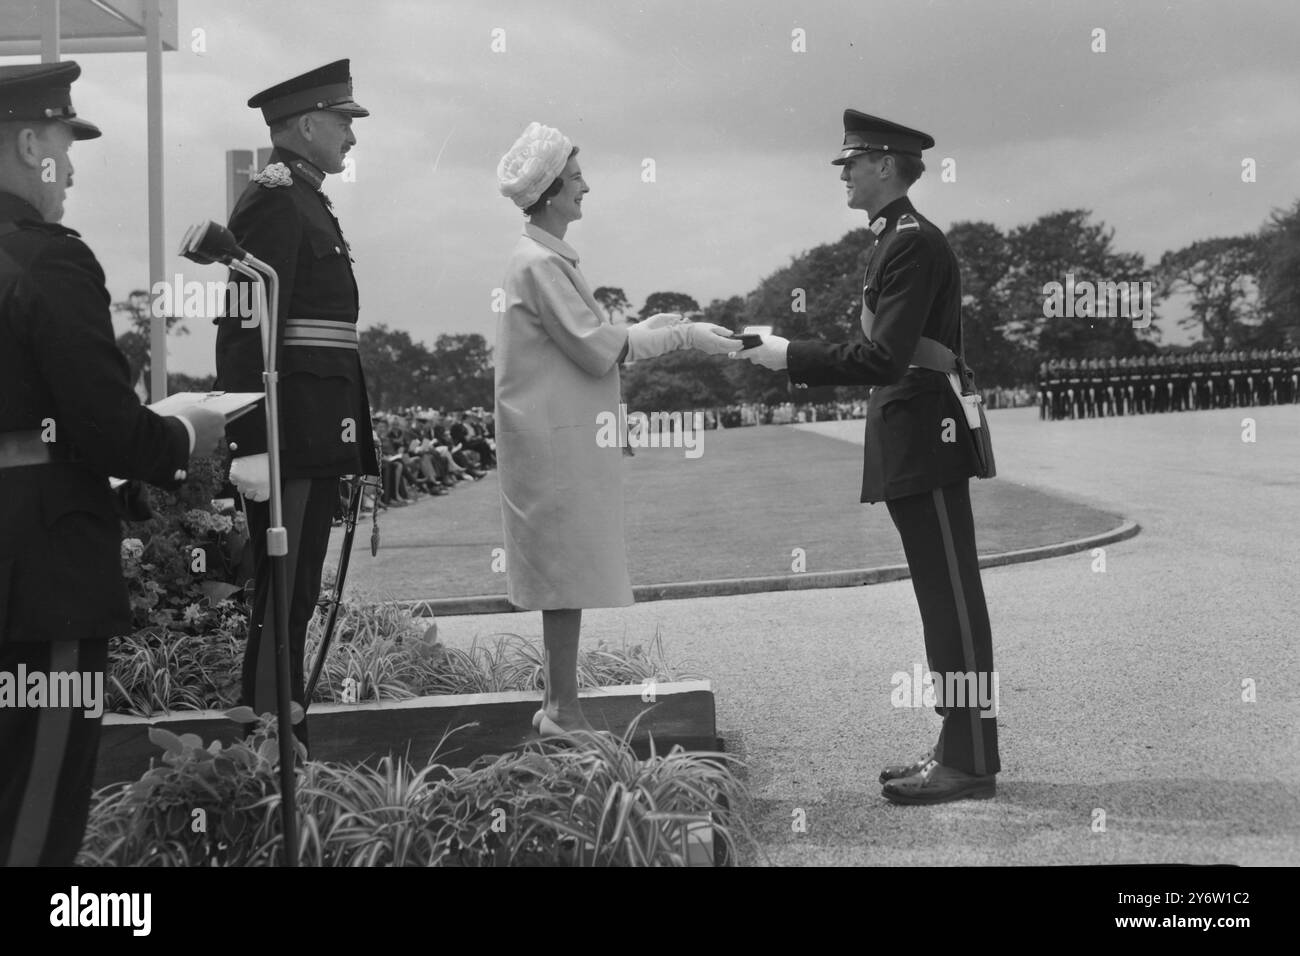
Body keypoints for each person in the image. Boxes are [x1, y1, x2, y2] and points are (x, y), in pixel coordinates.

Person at [739, 110, 1000, 804]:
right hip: (914, 430)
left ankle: (972, 760)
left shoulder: (910, 243)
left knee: (951, 599)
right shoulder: (892, 241)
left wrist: (788, 355)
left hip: (928, 433)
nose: (845, 174)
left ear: (886, 164)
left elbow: (884, 354)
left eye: (852, 163)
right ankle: (957, 742)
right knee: (939, 596)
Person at [0, 62, 226, 865]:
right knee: (37, 805)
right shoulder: (48, 259)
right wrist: (184, 437)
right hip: (40, 572)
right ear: (31, 144)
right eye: (66, 144)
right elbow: (100, 427)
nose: (73, 169)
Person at [494, 122, 734, 735]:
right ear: (549, 192)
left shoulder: (542, 258)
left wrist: (651, 323)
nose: (586, 188)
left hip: (558, 443)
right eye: (576, 179)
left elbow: (594, 337)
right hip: (553, 449)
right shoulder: (539, 262)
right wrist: (683, 335)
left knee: (564, 576)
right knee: (561, 578)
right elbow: (598, 347)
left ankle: (562, 707)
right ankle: (559, 710)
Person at [213, 60, 378, 747]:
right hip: (286, 433)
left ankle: (285, 734)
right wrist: (249, 439)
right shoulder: (275, 199)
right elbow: (243, 325)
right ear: (307, 124)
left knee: (300, 594)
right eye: (344, 122)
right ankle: (266, 746)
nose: (352, 136)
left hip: (314, 426)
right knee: (282, 597)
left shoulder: (308, 197)